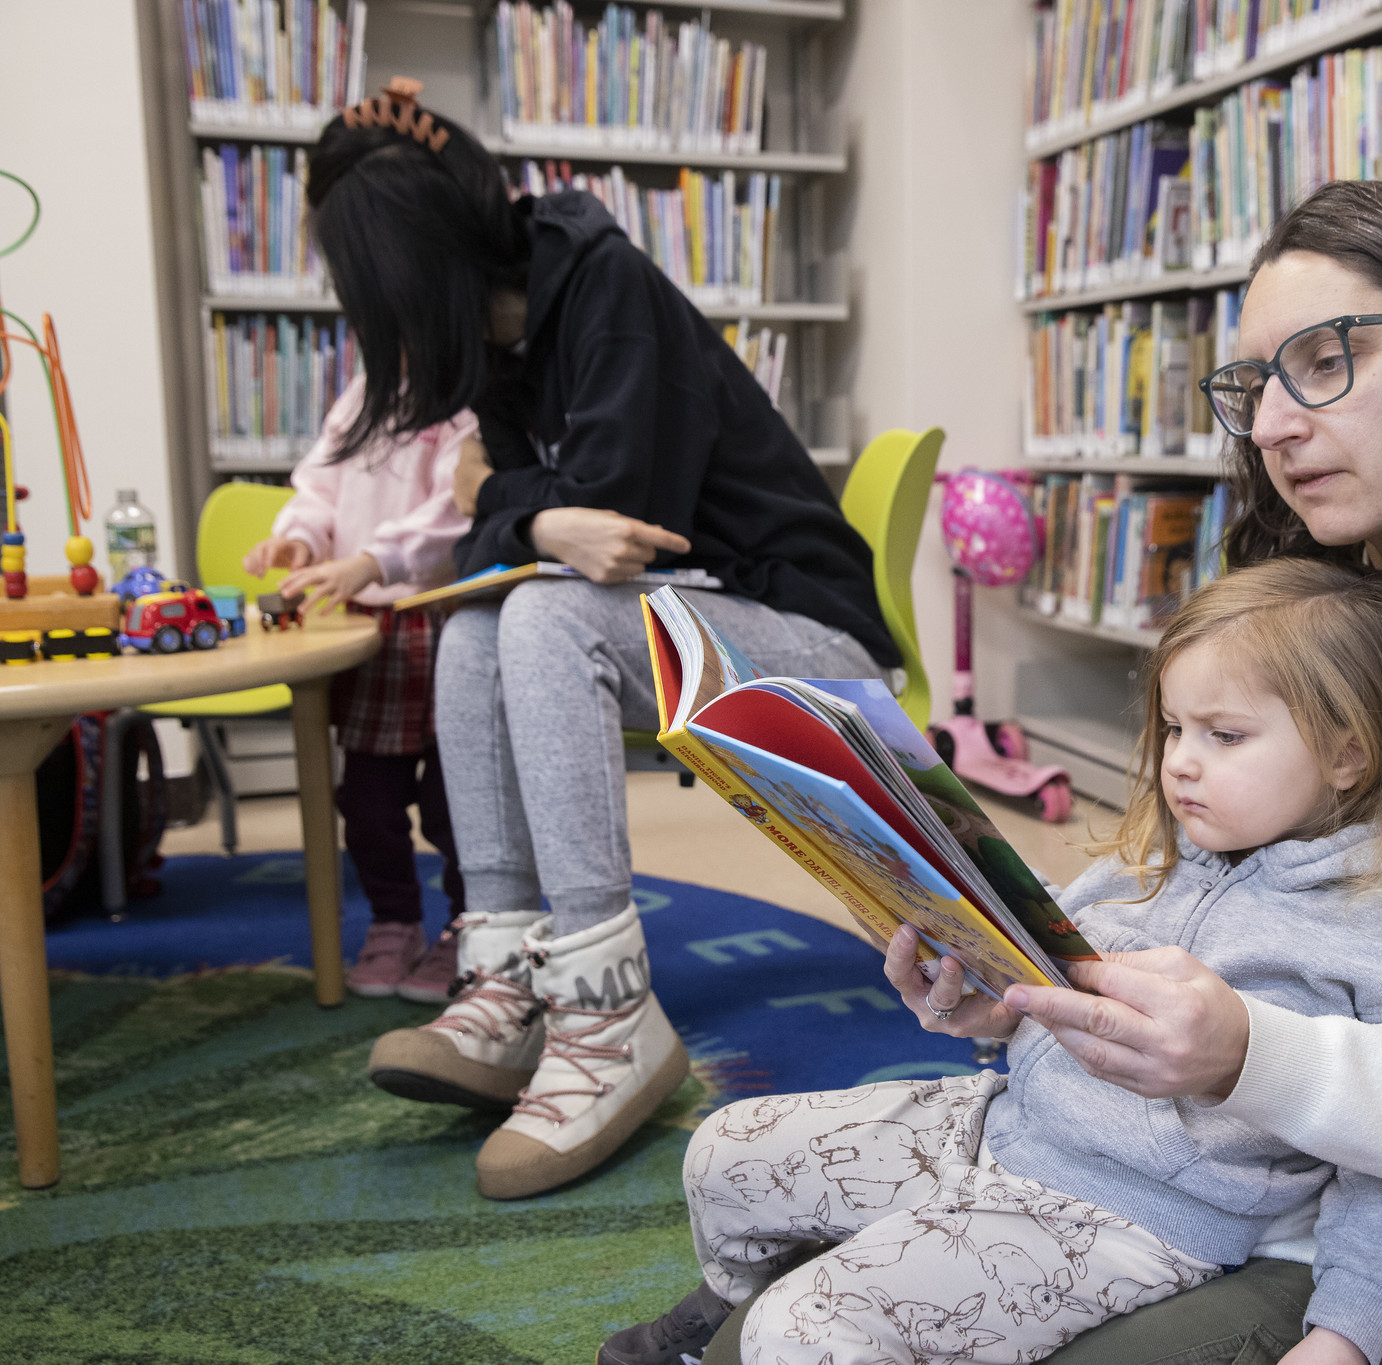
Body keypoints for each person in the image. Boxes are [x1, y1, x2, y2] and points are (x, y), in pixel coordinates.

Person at [682, 180, 1382, 1365]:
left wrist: (1248, 1054)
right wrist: (1019, 997)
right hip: (1176, 1166)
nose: (1271, 427)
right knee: (774, 1306)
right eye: (1254, 385)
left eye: (1324, 359)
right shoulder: (1334, 588)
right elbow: (1198, 905)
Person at [602, 559, 1382, 1365]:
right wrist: (968, 989)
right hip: (1000, 1123)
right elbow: (1036, 984)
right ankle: (718, 1314)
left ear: (1347, 752)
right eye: (1174, 727)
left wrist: (1346, 1335)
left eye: (1225, 734)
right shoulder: (1151, 860)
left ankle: (768, 1314)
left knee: (803, 1333)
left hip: (1122, 1218)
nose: (1179, 762)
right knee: (722, 1151)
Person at [302, 82, 898, 1201]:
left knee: (535, 606)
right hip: (689, 620)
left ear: (403, 275)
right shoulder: (500, 348)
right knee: (478, 616)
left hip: (809, 640)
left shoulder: (607, 287)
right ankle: (512, 975)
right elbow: (516, 533)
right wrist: (529, 515)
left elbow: (621, 527)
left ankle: (608, 1006)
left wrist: (515, 507)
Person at [242, 377, 474, 1001]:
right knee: (368, 799)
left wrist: (374, 561)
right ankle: (394, 921)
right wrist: (300, 536)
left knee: (456, 804)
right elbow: (320, 486)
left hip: (438, 615)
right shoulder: (360, 396)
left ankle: (467, 926)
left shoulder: (464, 401)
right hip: (366, 626)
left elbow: (456, 510)